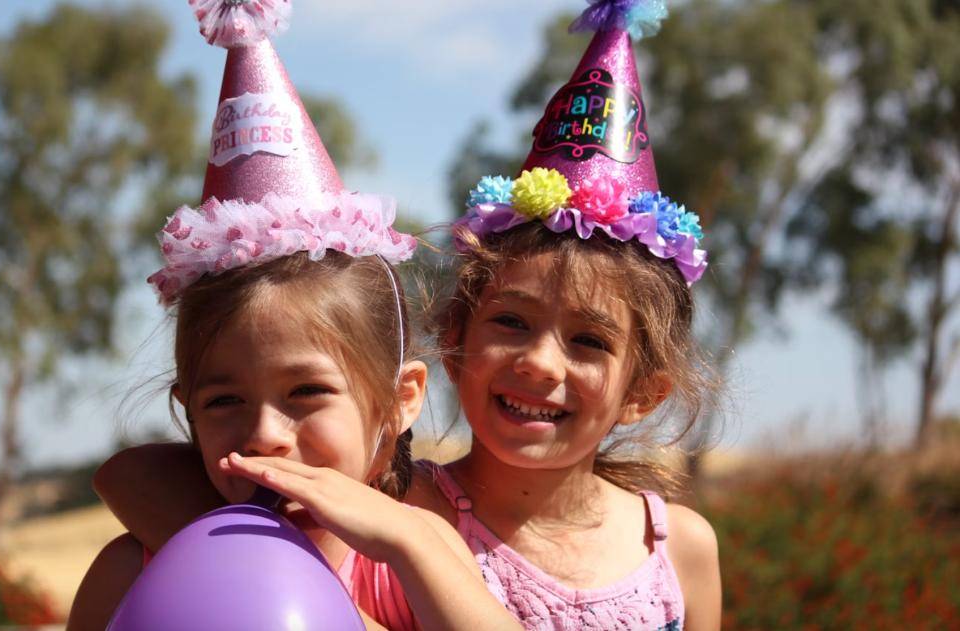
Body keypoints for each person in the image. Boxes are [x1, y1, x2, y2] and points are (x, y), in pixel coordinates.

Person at [94, 0, 722, 629]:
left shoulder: (409, 532)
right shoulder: (403, 507)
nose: (539, 361)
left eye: (589, 340)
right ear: (454, 337)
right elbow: (133, 475)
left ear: (644, 392)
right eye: (511, 322)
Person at [68, 2, 520, 630]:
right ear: (187, 409)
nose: (264, 435)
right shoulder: (132, 570)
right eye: (224, 401)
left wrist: (408, 547)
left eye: (306, 391)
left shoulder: (416, 563)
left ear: (401, 399)